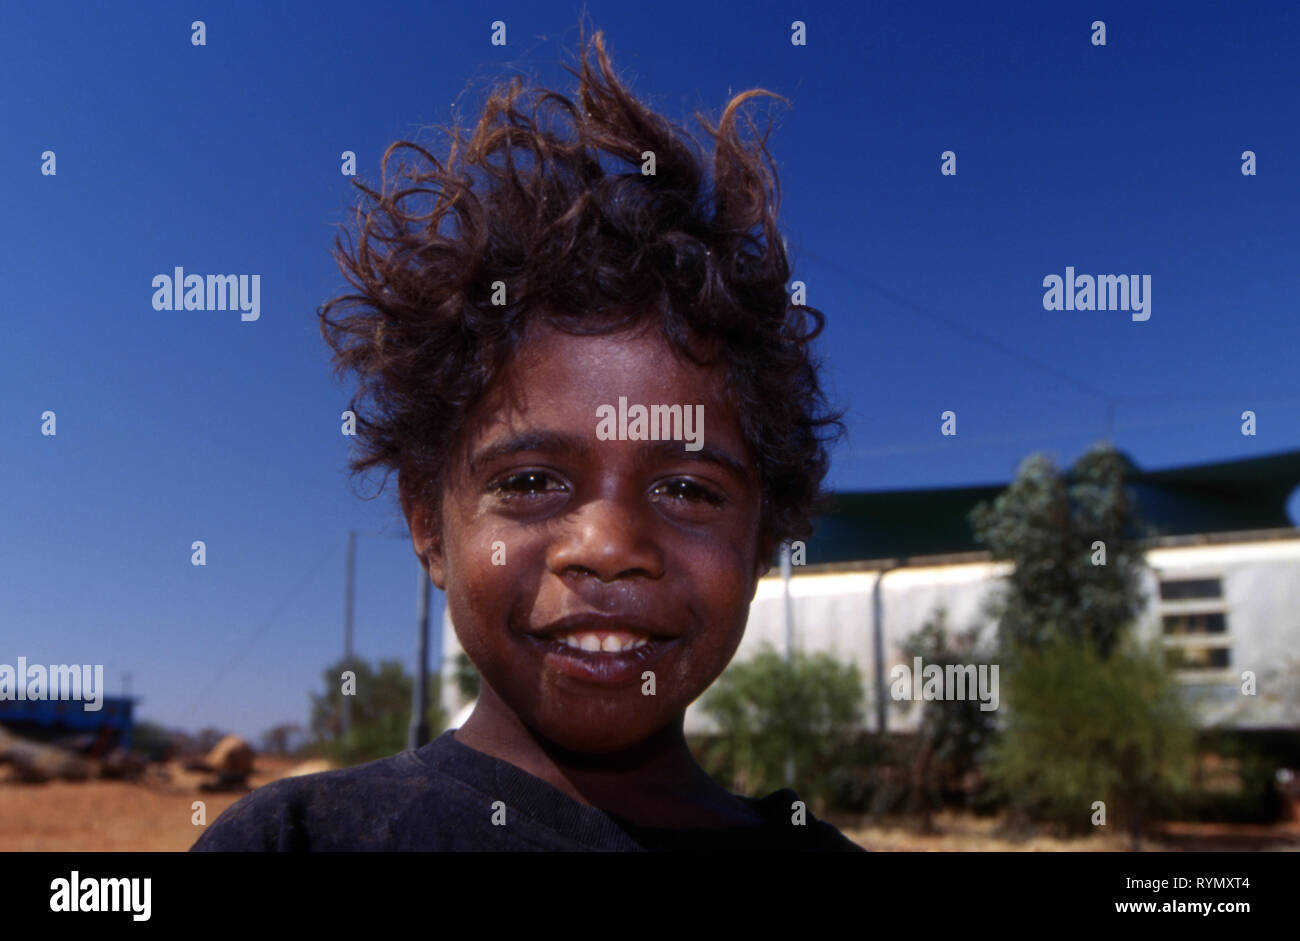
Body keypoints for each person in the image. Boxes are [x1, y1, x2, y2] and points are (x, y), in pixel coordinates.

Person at [191, 24, 858, 852]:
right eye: (532, 480)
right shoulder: (294, 842)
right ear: (430, 524)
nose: (608, 546)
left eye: (687, 488)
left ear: (763, 540)